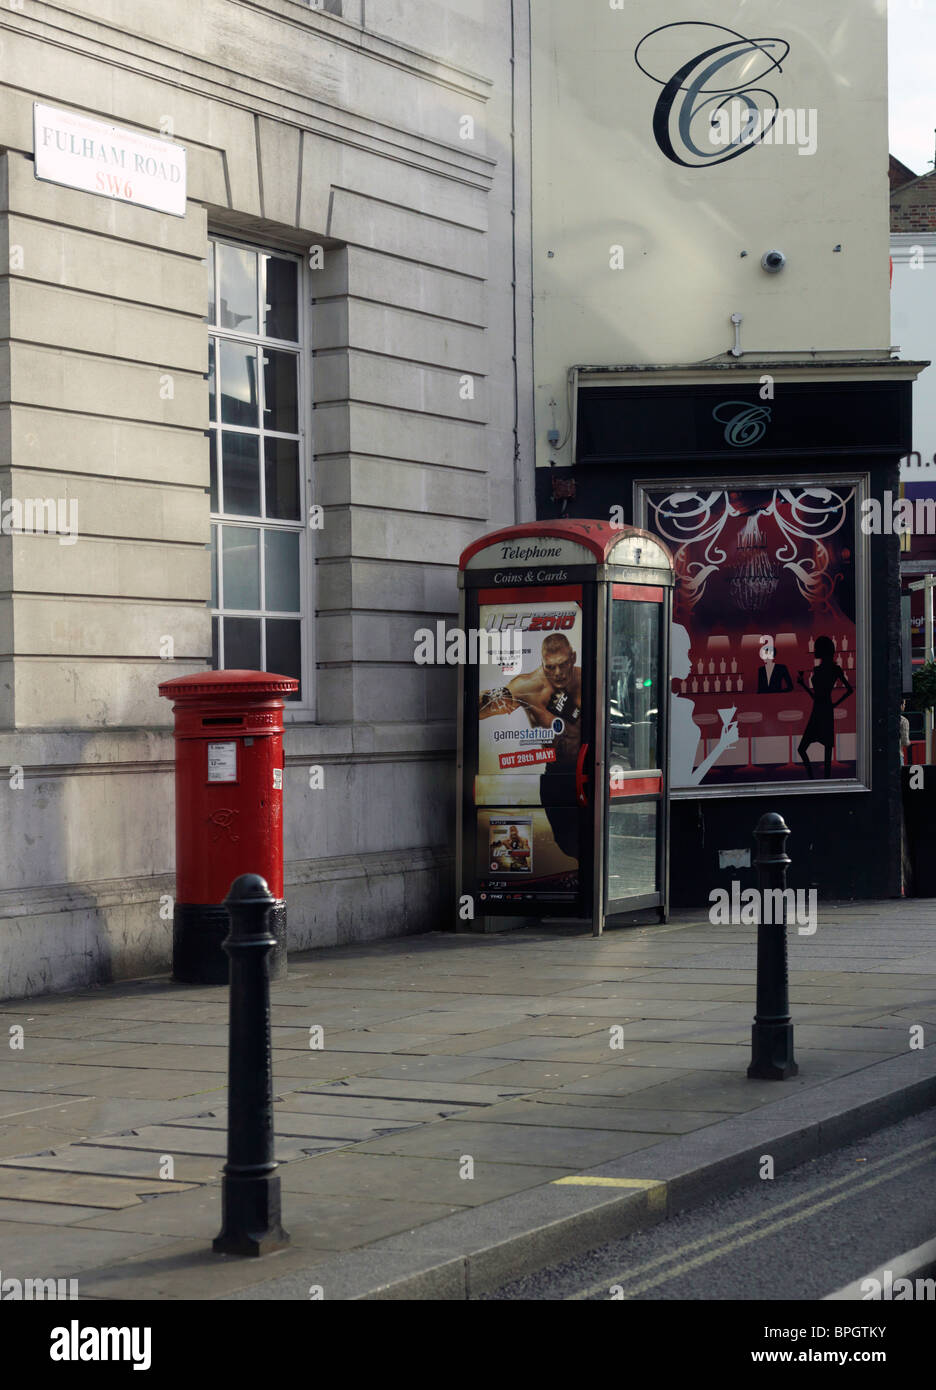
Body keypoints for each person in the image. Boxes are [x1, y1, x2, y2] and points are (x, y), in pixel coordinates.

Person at [480, 633, 582, 857]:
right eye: (550, 667)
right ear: (542, 663)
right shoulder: (529, 685)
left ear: (572, 658)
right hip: (557, 773)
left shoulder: (589, 679)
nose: (558, 673)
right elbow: (483, 706)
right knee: (569, 846)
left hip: (588, 770)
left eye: (563, 664)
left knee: (591, 842)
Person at [797, 635, 854, 779]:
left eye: (816, 647)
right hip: (824, 709)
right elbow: (849, 690)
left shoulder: (824, 669)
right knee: (824, 750)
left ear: (822, 650)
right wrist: (833, 704)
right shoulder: (833, 669)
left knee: (804, 748)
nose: (814, 650)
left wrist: (834, 704)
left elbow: (849, 690)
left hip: (820, 710)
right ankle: (819, 780)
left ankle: (812, 779)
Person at [899, 699, 911, 767]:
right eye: (904, 704)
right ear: (900, 706)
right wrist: (909, 742)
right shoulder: (904, 721)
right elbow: (905, 742)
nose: (904, 706)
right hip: (898, 754)